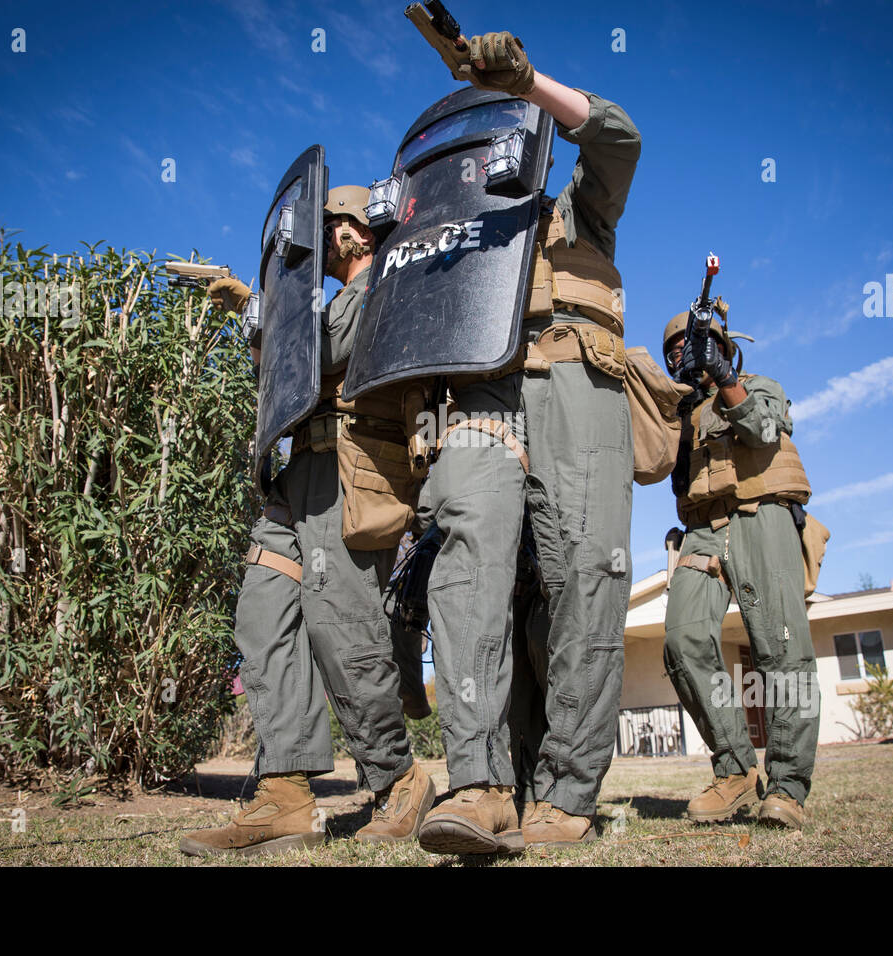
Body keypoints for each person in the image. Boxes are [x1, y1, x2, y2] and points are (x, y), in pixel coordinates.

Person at [410, 30, 641, 854]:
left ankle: (567, 791)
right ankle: (478, 784)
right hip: (481, 390)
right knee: (469, 568)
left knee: (584, 578)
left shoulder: (583, 209)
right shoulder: (462, 228)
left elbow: (619, 136)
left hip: (576, 383)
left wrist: (528, 79)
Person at [179, 186, 434, 858]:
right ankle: (285, 796)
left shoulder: (386, 279)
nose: (321, 244)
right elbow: (281, 371)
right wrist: (256, 314)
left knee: (342, 630)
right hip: (298, 472)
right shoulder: (324, 299)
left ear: (360, 229)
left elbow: (326, 351)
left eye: (331, 229)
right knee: (263, 618)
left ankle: (397, 780)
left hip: (353, 473)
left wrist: (256, 307)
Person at [659, 314, 821, 829]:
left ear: (720, 346)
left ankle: (788, 787)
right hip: (703, 529)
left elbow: (764, 430)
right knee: (681, 640)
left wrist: (723, 376)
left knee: (780, 646)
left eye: (693, 345)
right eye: (673, 350)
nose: (681, 354)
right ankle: (735, 770)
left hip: (763, 514)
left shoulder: (757, 386)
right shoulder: (678, 413)